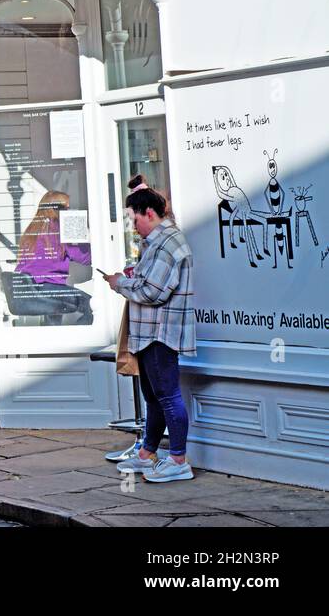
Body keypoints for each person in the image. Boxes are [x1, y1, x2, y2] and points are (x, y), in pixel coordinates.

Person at [102, 186, 196, 483]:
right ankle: (147, 454)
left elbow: (152, 292)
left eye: (134, 219)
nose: (133, 226)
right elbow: (152, 282)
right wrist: (134, 274)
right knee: (155, 398)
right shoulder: (157, 243)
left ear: (150, 214)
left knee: (167, 397)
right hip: (150, 333)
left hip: (159, 333)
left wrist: (119, 283)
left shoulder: (168, 243)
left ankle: (178, 460)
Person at [12, 191, 93, 323]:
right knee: (93, 306)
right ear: (57, 209)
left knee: (53, 319)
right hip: (50, 288)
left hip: (28, 288)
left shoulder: (32, 229)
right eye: (67, 207)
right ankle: (73, 339)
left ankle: (55, 340)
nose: (69, 210)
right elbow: (86, 258)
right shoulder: (61, 228)